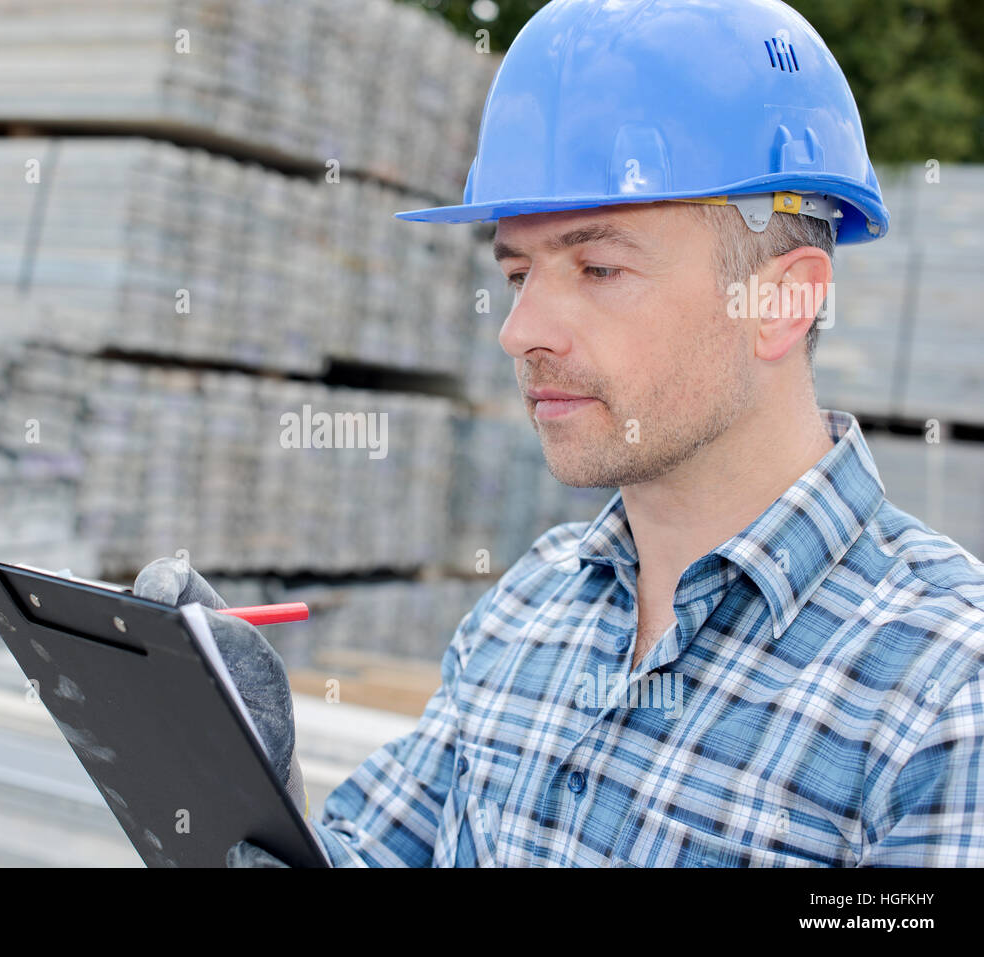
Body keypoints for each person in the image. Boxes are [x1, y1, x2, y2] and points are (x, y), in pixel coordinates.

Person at [136, 0, 984, 866]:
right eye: (516, 273)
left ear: (782, 298)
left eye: (599, 267)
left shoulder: (946, 694)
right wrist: (233, 785)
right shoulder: (527, 614)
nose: (520, 329)